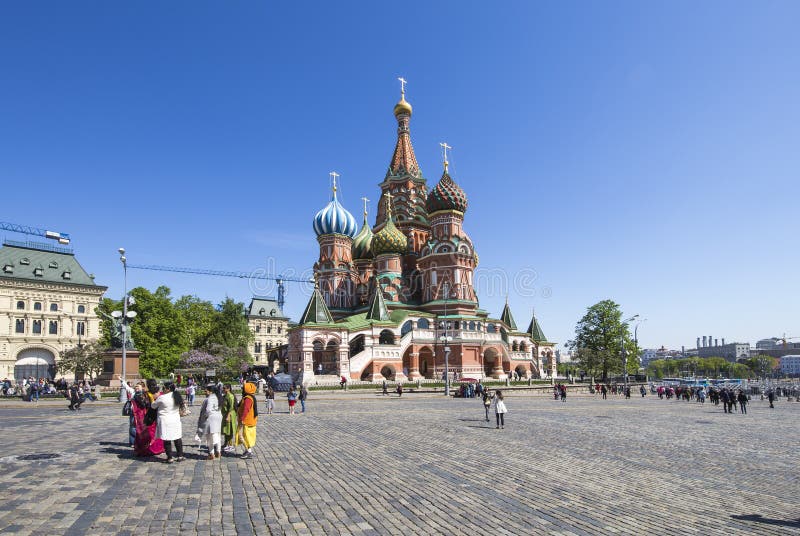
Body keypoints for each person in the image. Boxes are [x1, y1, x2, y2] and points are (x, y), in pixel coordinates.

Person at [152, 382, 185, 463]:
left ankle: (170, 457)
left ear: (168, 389)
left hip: (165, 420)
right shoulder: (177, 396)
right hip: (175, 420)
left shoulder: (162, 397)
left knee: (167, 439)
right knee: (177, 438)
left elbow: (153, 406)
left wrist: (154, 398)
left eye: (164, 388)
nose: (162, 389)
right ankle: (180, 456)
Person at [197, 384, 222, 460]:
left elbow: (207, 410)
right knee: (217, 434)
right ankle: (218, 451)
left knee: (209, 436)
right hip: (218, 417)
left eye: (206, 390)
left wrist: (203, 417)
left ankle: (211, 453)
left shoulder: (209, 398)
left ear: (210, 391)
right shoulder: (219, 397)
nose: (205, 392)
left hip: (211, 418)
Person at [237, 382, 258, 459]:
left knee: (241, 436)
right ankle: (248, 450)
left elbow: (246, 409)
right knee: (245, 436)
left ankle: (249, 451)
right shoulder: (250, 397)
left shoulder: (248, 398)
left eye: (243, 388)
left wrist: (242, 418)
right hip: (248, 420)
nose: (242, 389)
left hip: (246, 421)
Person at [221, 384, 238, 453]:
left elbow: (231, 407)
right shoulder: (225, 396)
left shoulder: (230, 396)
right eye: (223, 388)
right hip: (225, 414)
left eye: (224, 388)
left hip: (230, 415)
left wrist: (228, 416)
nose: (223, 389)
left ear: (228, 389)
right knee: (225, 429)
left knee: (229, 430)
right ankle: (226, 443)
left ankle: (230, 445)